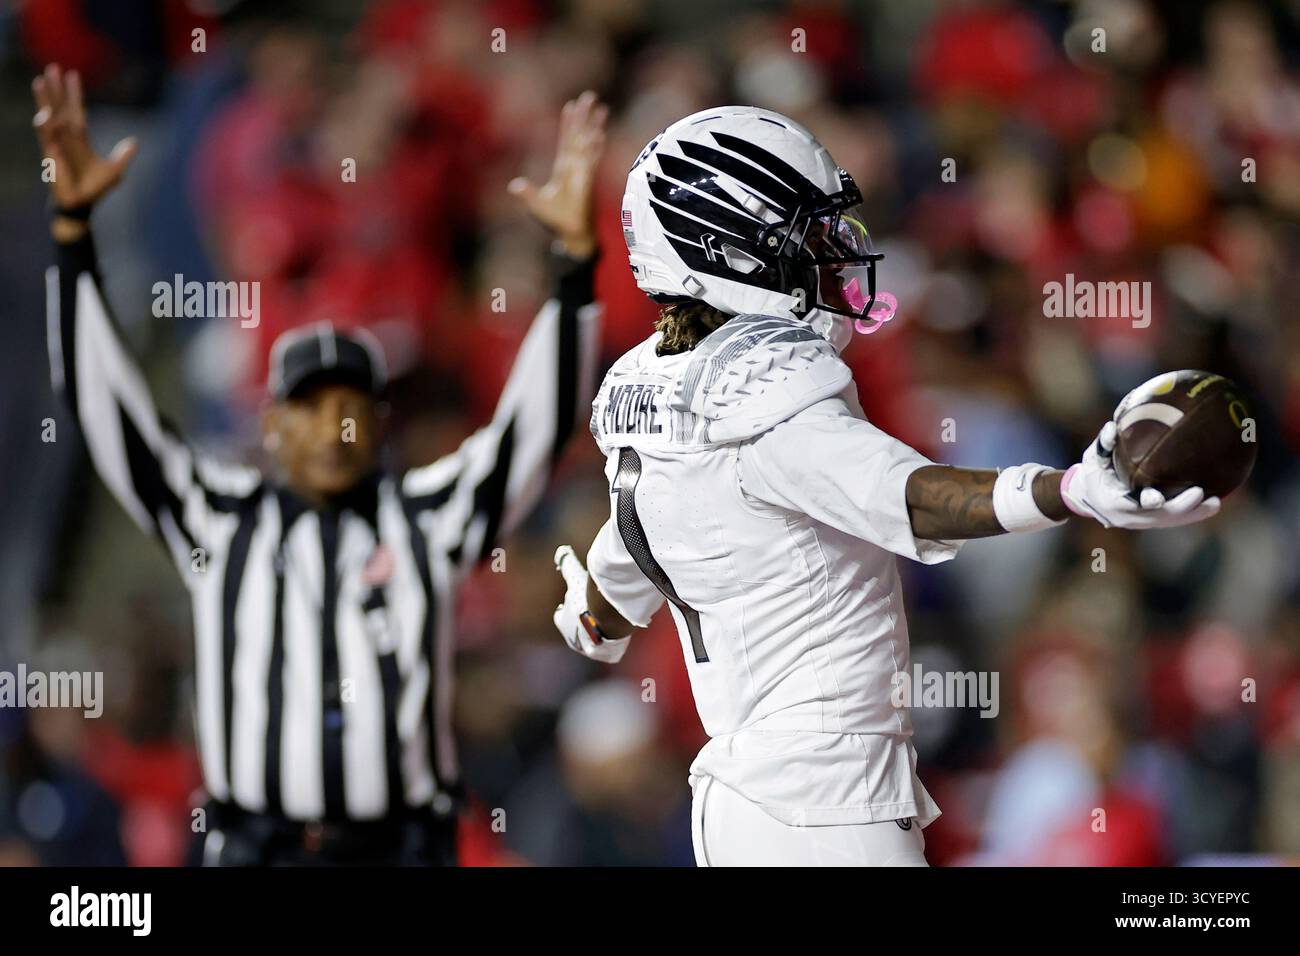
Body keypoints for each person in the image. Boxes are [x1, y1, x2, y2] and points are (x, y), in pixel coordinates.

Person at [550, 105, 1220, 867]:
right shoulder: (767, 400)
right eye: (799, 240)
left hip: (740, 802)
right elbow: (908, 496)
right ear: (724, 253)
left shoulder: (658, 394)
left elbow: (616, 582)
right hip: (825, 802)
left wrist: (590, 615)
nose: (830, 256)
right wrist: (1070, 491)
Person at [34, 62, 607, 865]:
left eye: (349, 406)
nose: (332, 424)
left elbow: (534, 428)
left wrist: (574, 267)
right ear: (271, 425)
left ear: (379, 422)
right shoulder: (218, 517)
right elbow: (104, 412)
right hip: (259, 850)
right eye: (310, 406)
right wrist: (73, 237)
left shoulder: (431, 516)